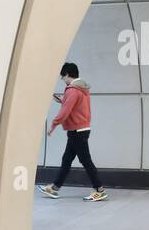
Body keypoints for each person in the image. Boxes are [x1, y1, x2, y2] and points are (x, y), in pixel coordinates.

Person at [38, 62, 108, 201]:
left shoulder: (72, 90)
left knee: (85, 160)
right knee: (67, 159)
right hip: (80, 129)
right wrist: (62, 100)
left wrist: (53, 124)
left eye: (63, 77)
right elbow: (74, 105)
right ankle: (54, 188)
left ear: (67, 74)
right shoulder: (81, 88)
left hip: (77, 130)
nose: (63, 80)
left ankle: (99, 189)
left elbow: (66, 111)